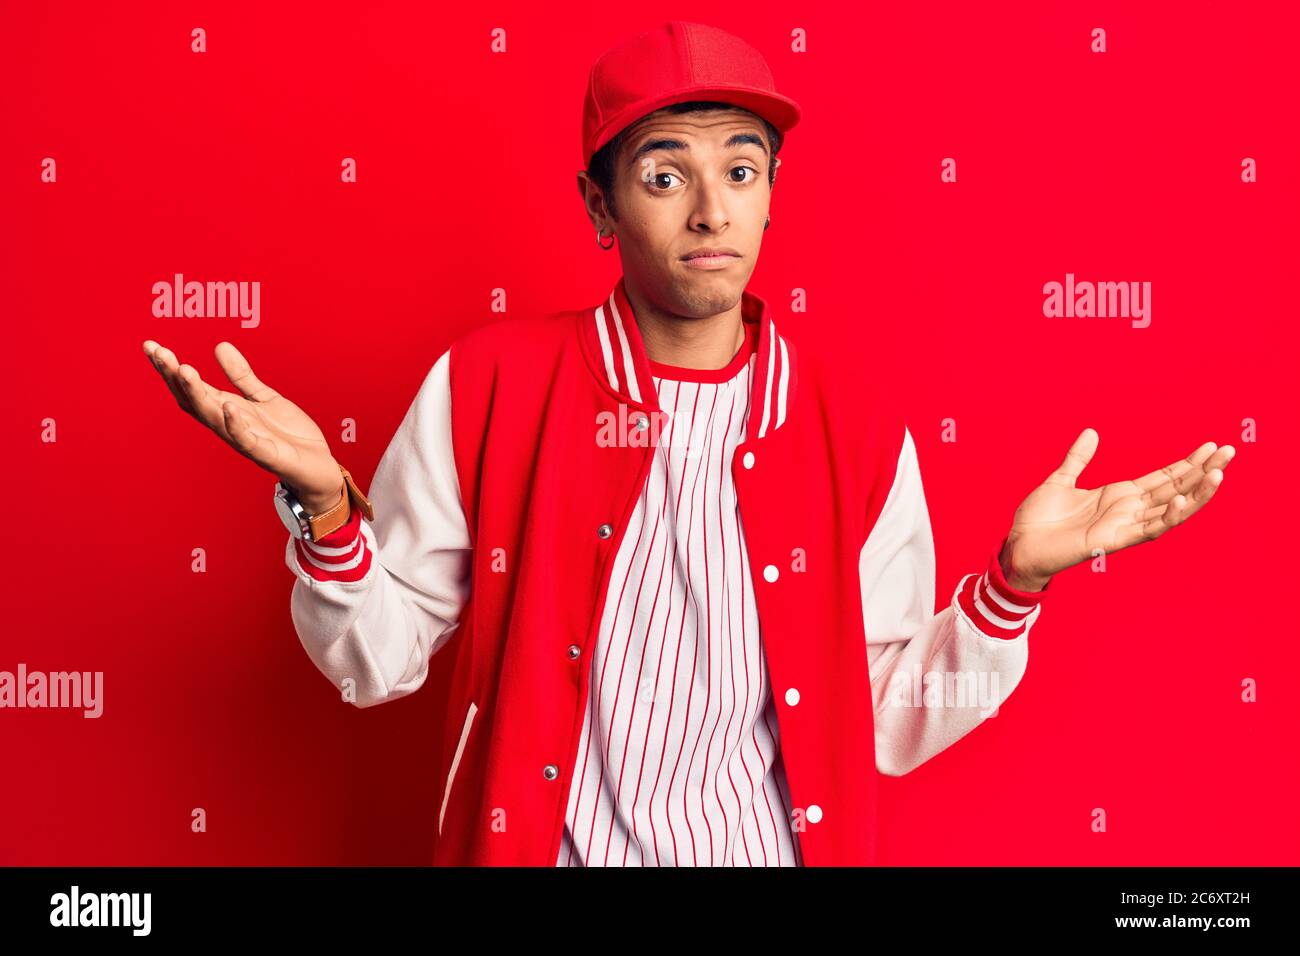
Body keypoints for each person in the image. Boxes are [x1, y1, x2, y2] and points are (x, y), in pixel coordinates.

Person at [142, 21, 1234, 867]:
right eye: (665, 174)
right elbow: (377, 665)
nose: (710, 208)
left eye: (742, 170)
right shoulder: (489, 383)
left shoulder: (845, 419)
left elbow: (887, 720)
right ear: (599, 203)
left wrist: (1010, 583)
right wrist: (329, 507)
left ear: (770, 197)